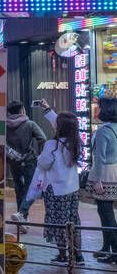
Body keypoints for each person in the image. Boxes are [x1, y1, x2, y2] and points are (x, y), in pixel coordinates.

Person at [33, 108, 83, 264]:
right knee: (73, 220)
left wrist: (40, 156)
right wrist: (48, 110)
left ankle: (62, 256)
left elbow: (44, 163)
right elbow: (65, 122)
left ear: (59, 127)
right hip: (73, 189)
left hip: (55, 190)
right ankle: (78, 256)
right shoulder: (75, 142)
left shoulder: (52, 145)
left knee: (58, 223)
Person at [6, 101, 46, 214]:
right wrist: (40, 154)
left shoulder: (5, 125)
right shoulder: (29, 124)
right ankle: (22, 213)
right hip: (29, 160)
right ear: (22, 110)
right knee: (33, 190)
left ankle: (22, 220)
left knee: (19, 190)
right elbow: (42, 138)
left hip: (13, 162)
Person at [93, 99, 117, 264]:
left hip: (105, 174)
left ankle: (114, 251)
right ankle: (107, 247)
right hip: (114, 171)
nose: (97, 109)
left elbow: (100, 157)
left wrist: (97, 179)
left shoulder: (103, 131)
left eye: (99, 106)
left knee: (106, 213)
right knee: (107, 212)